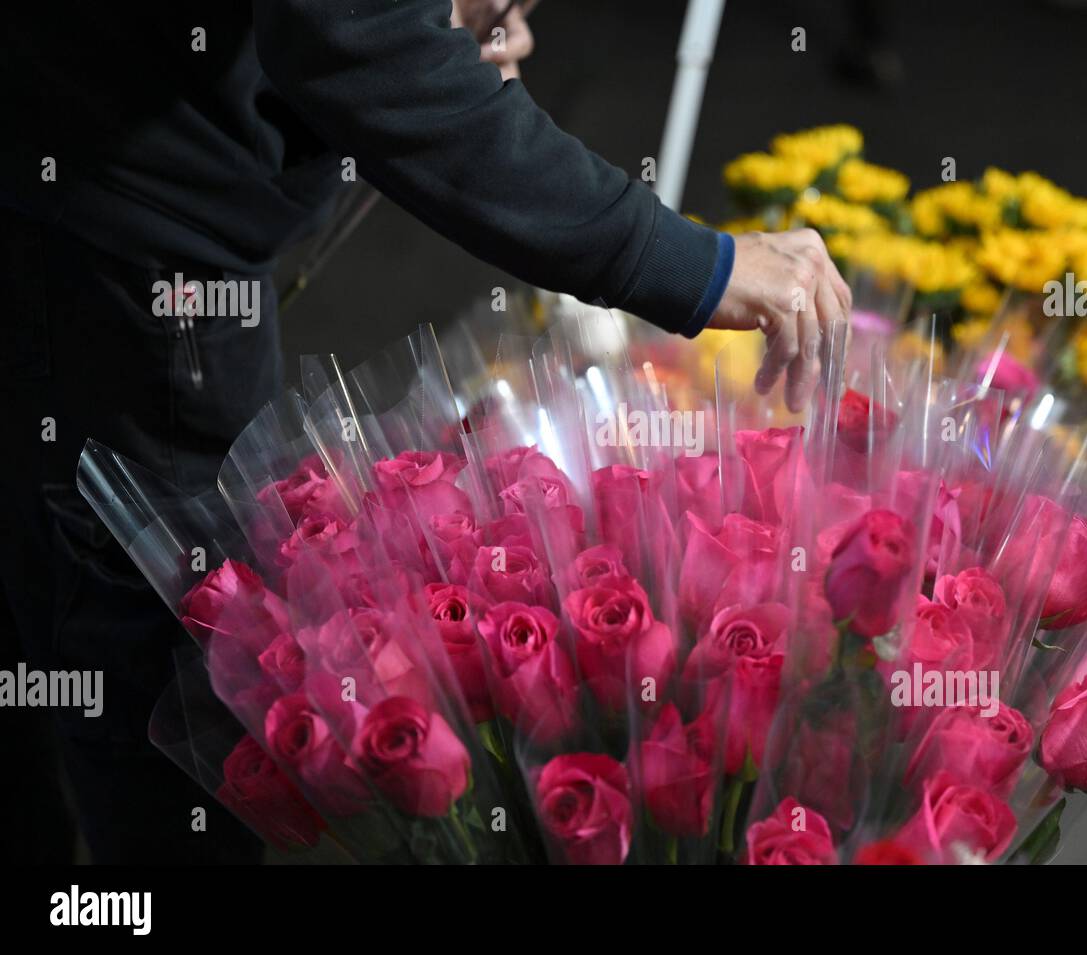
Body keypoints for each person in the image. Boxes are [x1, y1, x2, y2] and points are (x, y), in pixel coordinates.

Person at [0, 0, 849, 864]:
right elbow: (353, 38)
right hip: (119, 247)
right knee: (167, 678)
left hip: (95, 178)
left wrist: (438, 16)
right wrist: (689, 263)